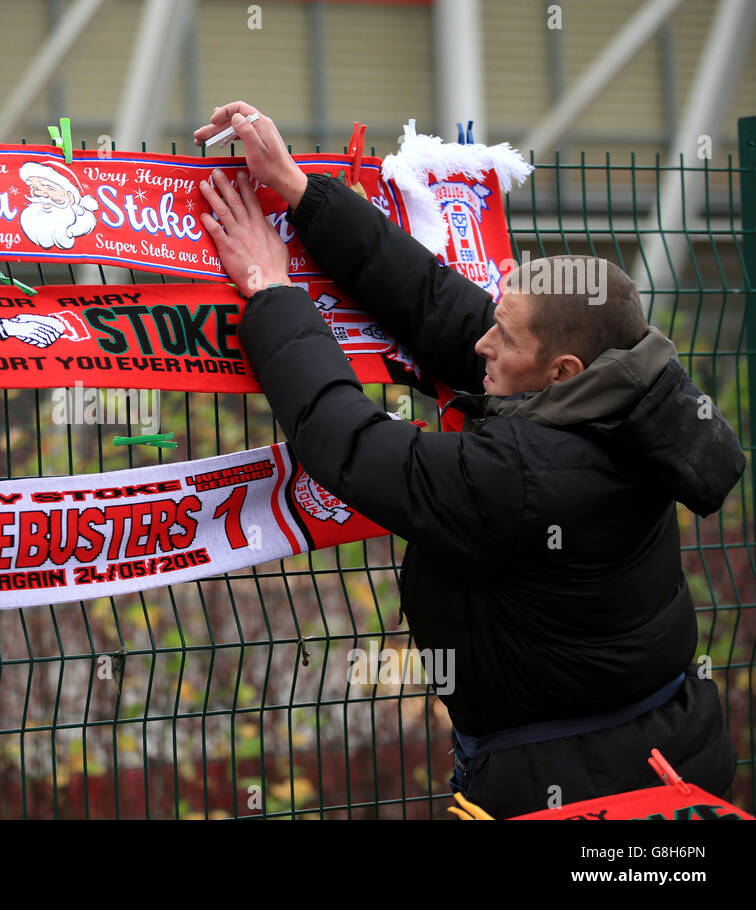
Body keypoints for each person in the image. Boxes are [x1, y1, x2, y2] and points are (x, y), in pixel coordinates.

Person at [193, 101, 745, 818]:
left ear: (561, 369)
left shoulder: (523, 476)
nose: (482, 346)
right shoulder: (632, 396)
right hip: (662, 749)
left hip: (579, 794)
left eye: (505, 340)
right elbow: (442, 307)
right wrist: (302, 191)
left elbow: (348, 442)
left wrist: (271, 290)